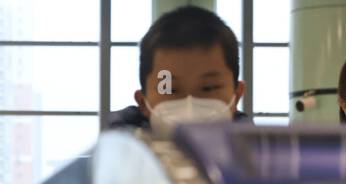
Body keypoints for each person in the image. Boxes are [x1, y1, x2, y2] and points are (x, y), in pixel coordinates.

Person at [107, 6, 249, 134]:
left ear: (236, 95)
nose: (190, 106)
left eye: (209, 87)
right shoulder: (116, 147)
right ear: (143, 102)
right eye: (169, 89)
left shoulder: (255, 152)